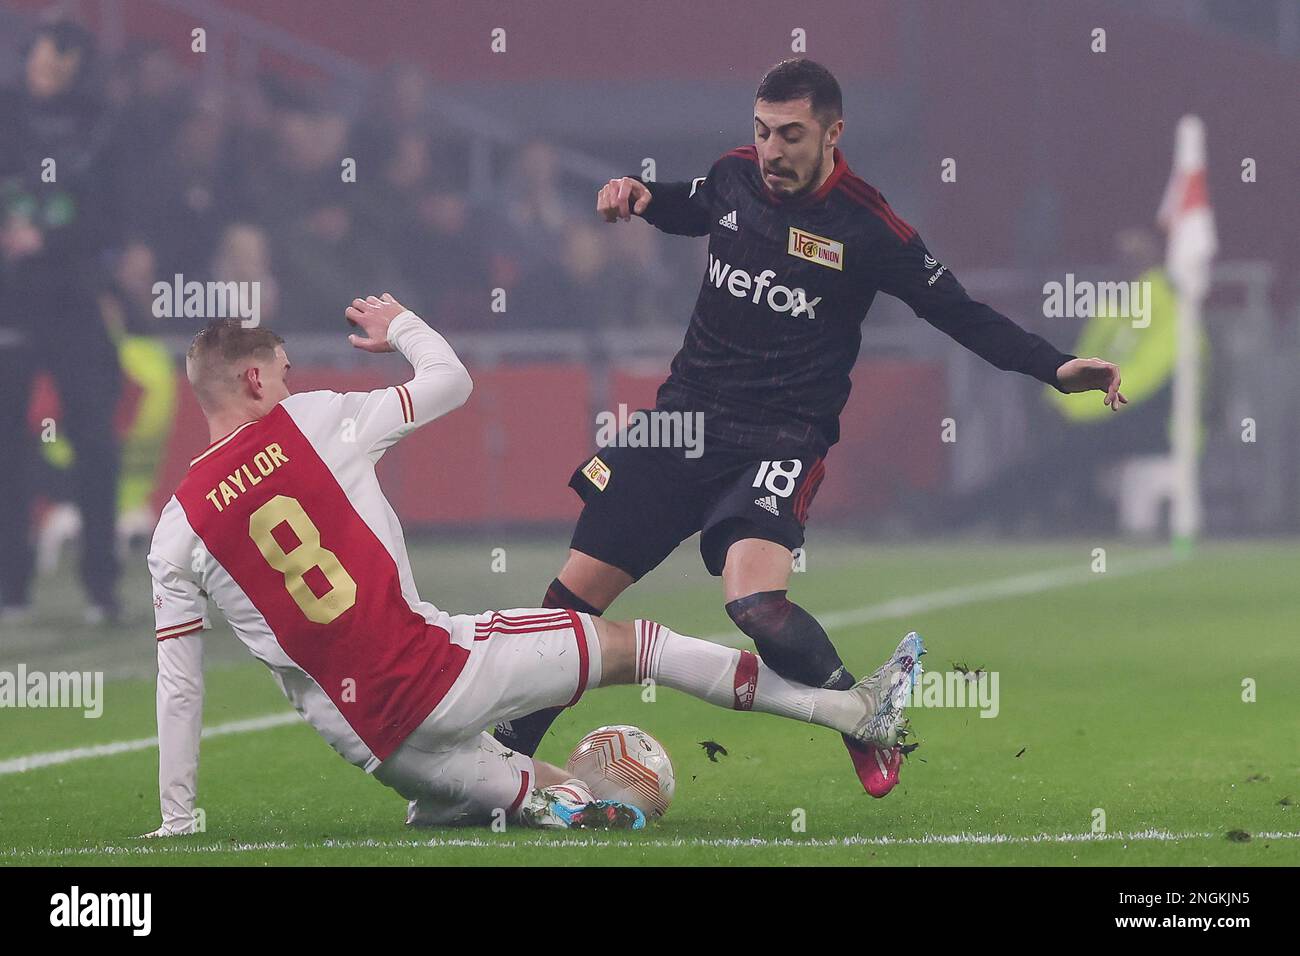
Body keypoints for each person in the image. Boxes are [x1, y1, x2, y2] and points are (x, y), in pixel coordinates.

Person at [495, 58, 1127, 798]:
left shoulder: (868, 224)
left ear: (834, 133)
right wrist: (639, 197)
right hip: (681, 423)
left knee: (754, 606)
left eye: (790, 135)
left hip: (779, 437)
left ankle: (864, 716)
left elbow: (958, 310)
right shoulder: (734, 176)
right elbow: (689, 204)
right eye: (761, 131)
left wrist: (1055, 367)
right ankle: (502, 762)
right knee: (570, 600)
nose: (771, 151)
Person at [143, 294, 920, 836]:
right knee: (640, 645)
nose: (290, 382)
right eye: (280, 371)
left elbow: (179, 686)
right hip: (444, 673)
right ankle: (851, 711)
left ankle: (498, 798)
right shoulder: (315, 421)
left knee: (563, 796)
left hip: (381, 749)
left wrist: (179, 819)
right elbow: (449, 381)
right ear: (253, 380)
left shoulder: (176, 531)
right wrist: (400, 324)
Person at [0, 20, 124, 621]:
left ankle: (101, 583)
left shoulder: (98, 122)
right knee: (6, 442)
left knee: (95, 439)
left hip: (73, 295)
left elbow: (110, 214)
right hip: (10, 297)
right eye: (45, 63)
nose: (49, 77)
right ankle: (10, 584)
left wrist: (47, 236)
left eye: (62, 67)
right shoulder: (6, 112)